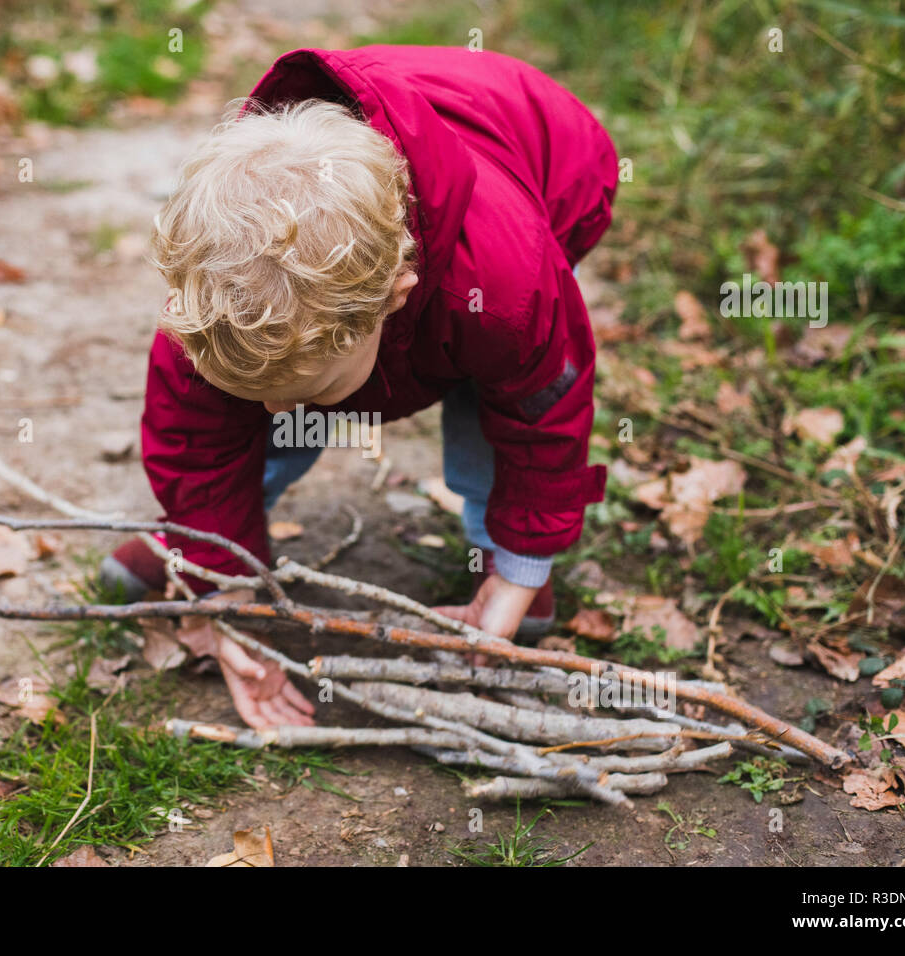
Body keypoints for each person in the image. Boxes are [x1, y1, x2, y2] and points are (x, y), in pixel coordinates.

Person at [102, 46, 617, 729]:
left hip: (554, 169)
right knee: (249, 403)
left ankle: (508, 561)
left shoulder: (506, 287)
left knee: (492, 380)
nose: (278, 414)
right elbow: (196, 441)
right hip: (405, 267)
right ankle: (209, 543)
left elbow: (545, 412)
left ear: (395, 296)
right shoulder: (215, 303)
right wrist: (217, 584)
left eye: (302, 391)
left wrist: (520, 568)